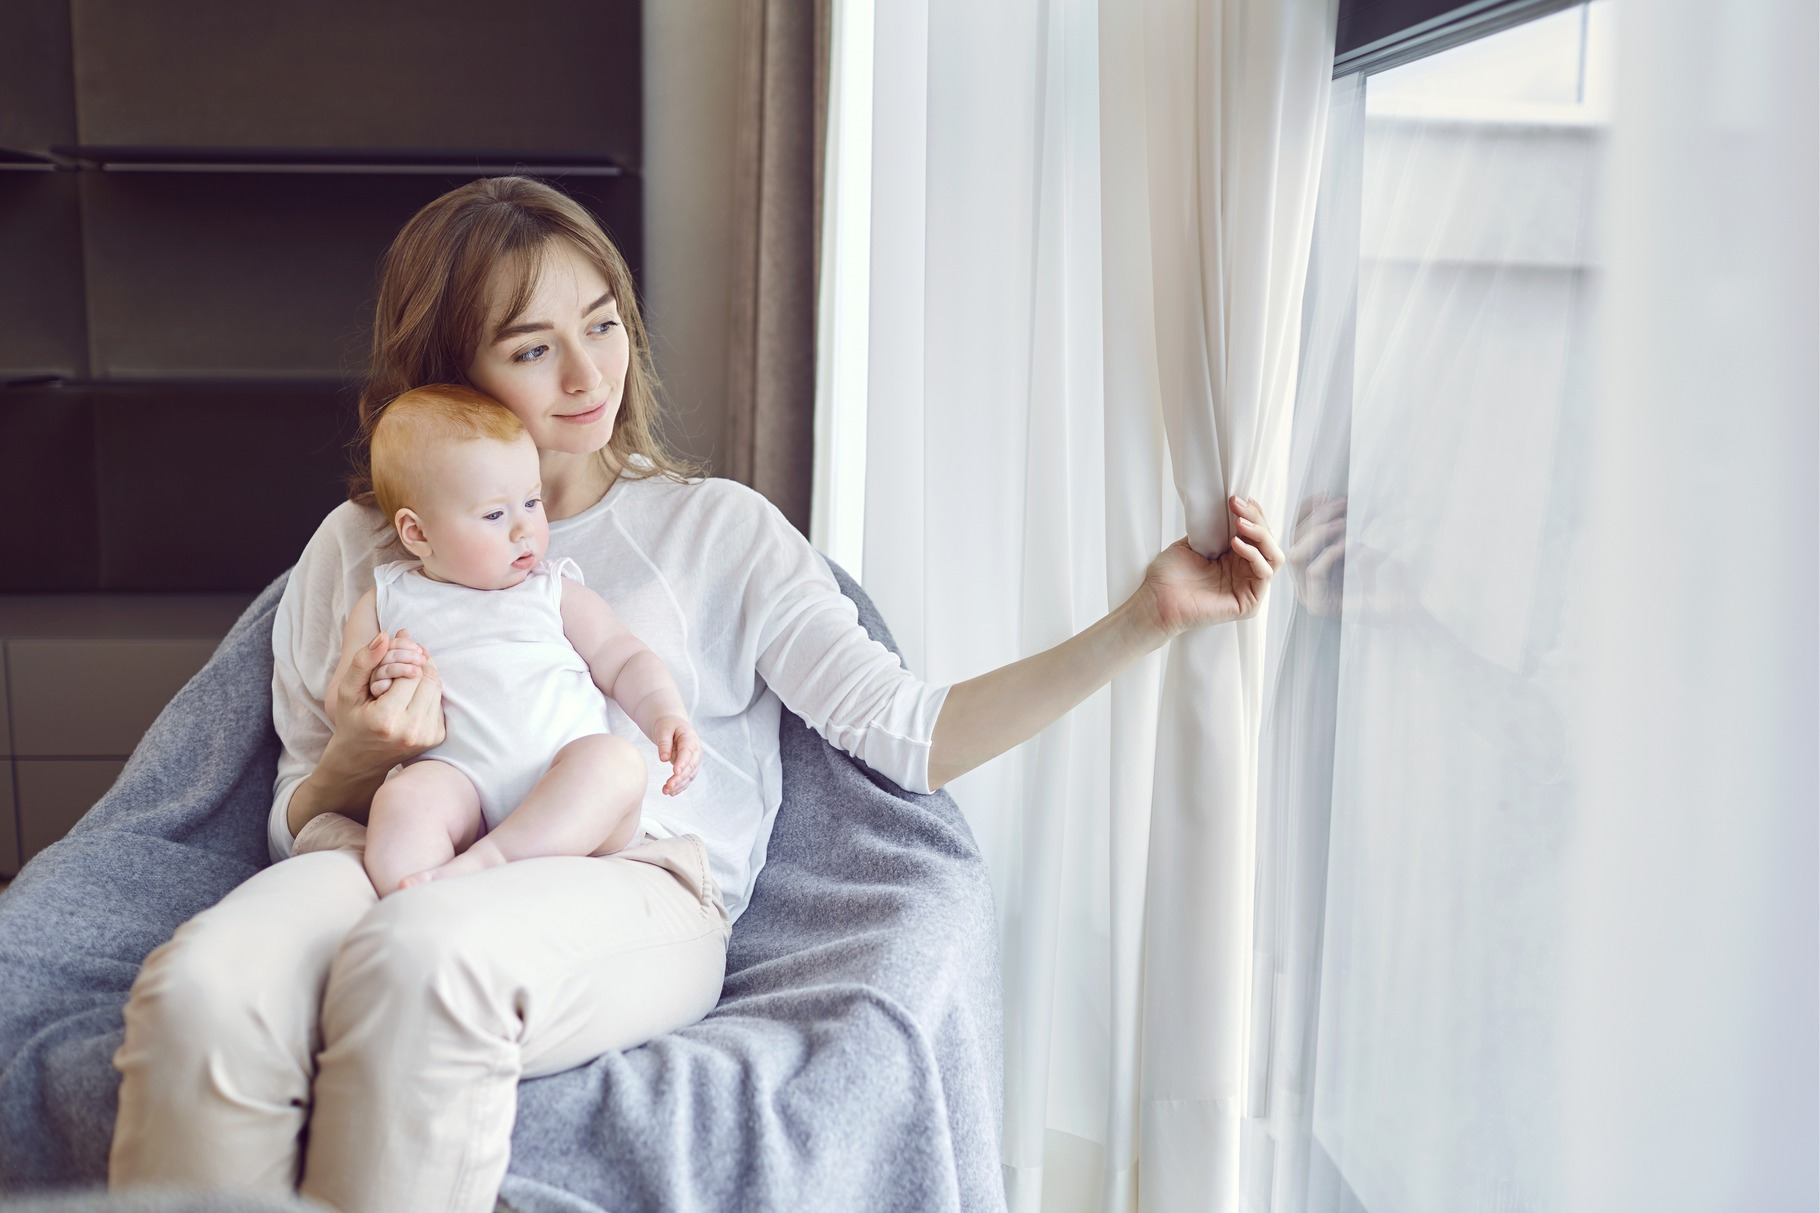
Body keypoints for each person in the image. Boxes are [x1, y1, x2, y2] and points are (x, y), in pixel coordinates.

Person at [107, 176, 1284, 1213]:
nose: (587, 375)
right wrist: (364, 753)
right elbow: (289, 815)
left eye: (603, 324)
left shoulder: (714, 530)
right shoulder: (361, 547)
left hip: (626, 881)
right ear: (447, 374)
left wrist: (1147, 618)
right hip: (374, 850)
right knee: (202, 988)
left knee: (430, 961)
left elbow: (912, 736)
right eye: (530, 348)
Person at [343, 383, 700, 896]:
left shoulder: (553, 591)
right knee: (403, 799)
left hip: (568, 792)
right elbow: (344, 702)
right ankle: (414, 898)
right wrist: (379, 680)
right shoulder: (387, 601)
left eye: (531, 502)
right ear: (417, 534)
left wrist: (667, 714)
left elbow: (623, 659)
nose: (524, 530)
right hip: (460, 783)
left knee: (615, 764)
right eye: (494, 514)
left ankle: (489, 862)